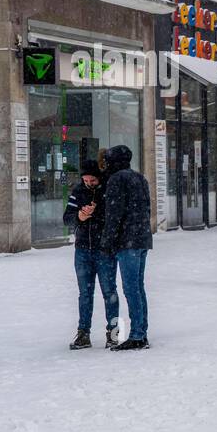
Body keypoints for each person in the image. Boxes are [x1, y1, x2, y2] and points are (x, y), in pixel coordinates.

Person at [100, 145, 153, 351]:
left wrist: (107, 241)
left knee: (131, 288)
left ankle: (137, 335)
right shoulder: (140, 178)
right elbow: (146, 208)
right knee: (138, 287)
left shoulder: (116, 180)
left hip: (127, 241)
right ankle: (141, 331)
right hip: (141, 239)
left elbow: (114, 214)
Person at [62, 160, 119, 350]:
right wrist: (80, 216)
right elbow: (67, 218)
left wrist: (97, 212)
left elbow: (114, 216)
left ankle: (113, 333)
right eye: (85, 180)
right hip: (83, 249)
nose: (88, 183)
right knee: (85, 293)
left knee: (109, 292)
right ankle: (83, 333)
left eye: (92, 180)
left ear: (98, 177)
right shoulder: (78, 191)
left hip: (104, 250)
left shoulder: (108, 189)